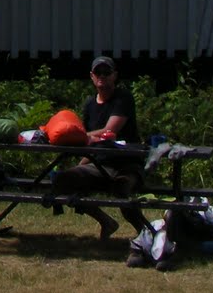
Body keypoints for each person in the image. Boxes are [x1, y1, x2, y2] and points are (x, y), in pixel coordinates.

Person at [53, 55, 149, 240]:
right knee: (65, 180)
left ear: (115, 76)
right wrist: (80, 164)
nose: (102, 76)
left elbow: (108, 131)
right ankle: (106, 221)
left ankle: (146, 233)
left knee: (122, 189)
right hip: (99, 164)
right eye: (98, 72)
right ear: (91, 76)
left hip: (126, 164)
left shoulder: (123, 98)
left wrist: (73, 135)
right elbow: (90, 143)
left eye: (107, 72)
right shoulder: (89, 104)